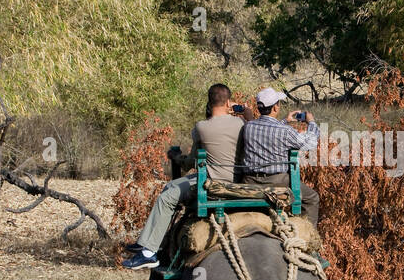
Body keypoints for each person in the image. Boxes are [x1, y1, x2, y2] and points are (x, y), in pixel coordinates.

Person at [121, 84, 246, 270]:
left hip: (211, 182)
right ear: (229, 102)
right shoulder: (241, 124)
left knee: (166, 197)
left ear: (209, 103)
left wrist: (176, 157)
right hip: (234, 180)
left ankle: (149, 254)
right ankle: (147, 242)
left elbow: (189, 163)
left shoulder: (201, 127)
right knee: (169, 188)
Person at [239, 87, 319, 226]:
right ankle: (309, 236)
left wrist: (284, 121)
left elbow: (266, 129)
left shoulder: (248, 126)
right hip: (278, 181)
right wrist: (311, 122)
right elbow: (310, 143)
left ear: (259, 108)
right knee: (312, 198)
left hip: (249, 181)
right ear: (275, 107)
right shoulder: (285, 131)